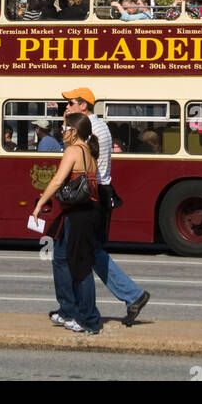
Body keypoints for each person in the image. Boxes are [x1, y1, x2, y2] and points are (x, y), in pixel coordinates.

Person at [62, 88, 150, 326]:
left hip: (92, 195)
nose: (66, 107)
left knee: (83, 253)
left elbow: (83, 162)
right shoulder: (97, 126)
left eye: (70, 103)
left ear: (83, 105)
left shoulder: (90, 129)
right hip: (99, 192)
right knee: (86, 252)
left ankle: (80, 311)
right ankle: (127, 296)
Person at [31, 114, 102, 334]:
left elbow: (58, 180)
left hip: (79, 215)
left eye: (64, 128)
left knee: (80, 267)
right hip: (80, 213)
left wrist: (39, 203)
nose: (61, 132)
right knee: (60, 257)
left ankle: (88, 319)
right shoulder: (88, 151)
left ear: (73, 131)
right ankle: (68, 309)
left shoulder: (73, 151)